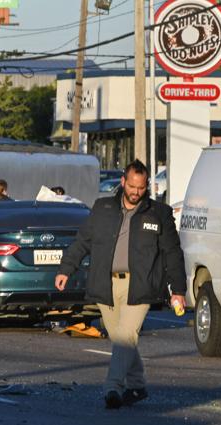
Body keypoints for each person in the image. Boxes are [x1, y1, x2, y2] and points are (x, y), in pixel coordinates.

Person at [55, 159, 187, 409]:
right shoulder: (103, 208)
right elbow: (83, 241)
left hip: (141, 285)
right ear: (123, 182)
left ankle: (113, 387)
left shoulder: (159, 214)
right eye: (132, 186)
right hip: (107, 283)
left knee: (126, 336)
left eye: (141, 187)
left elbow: (172, 253)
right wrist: (66, 270)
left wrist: (178, 291)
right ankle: (136, 385)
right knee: (120, 340)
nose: (136, 192)